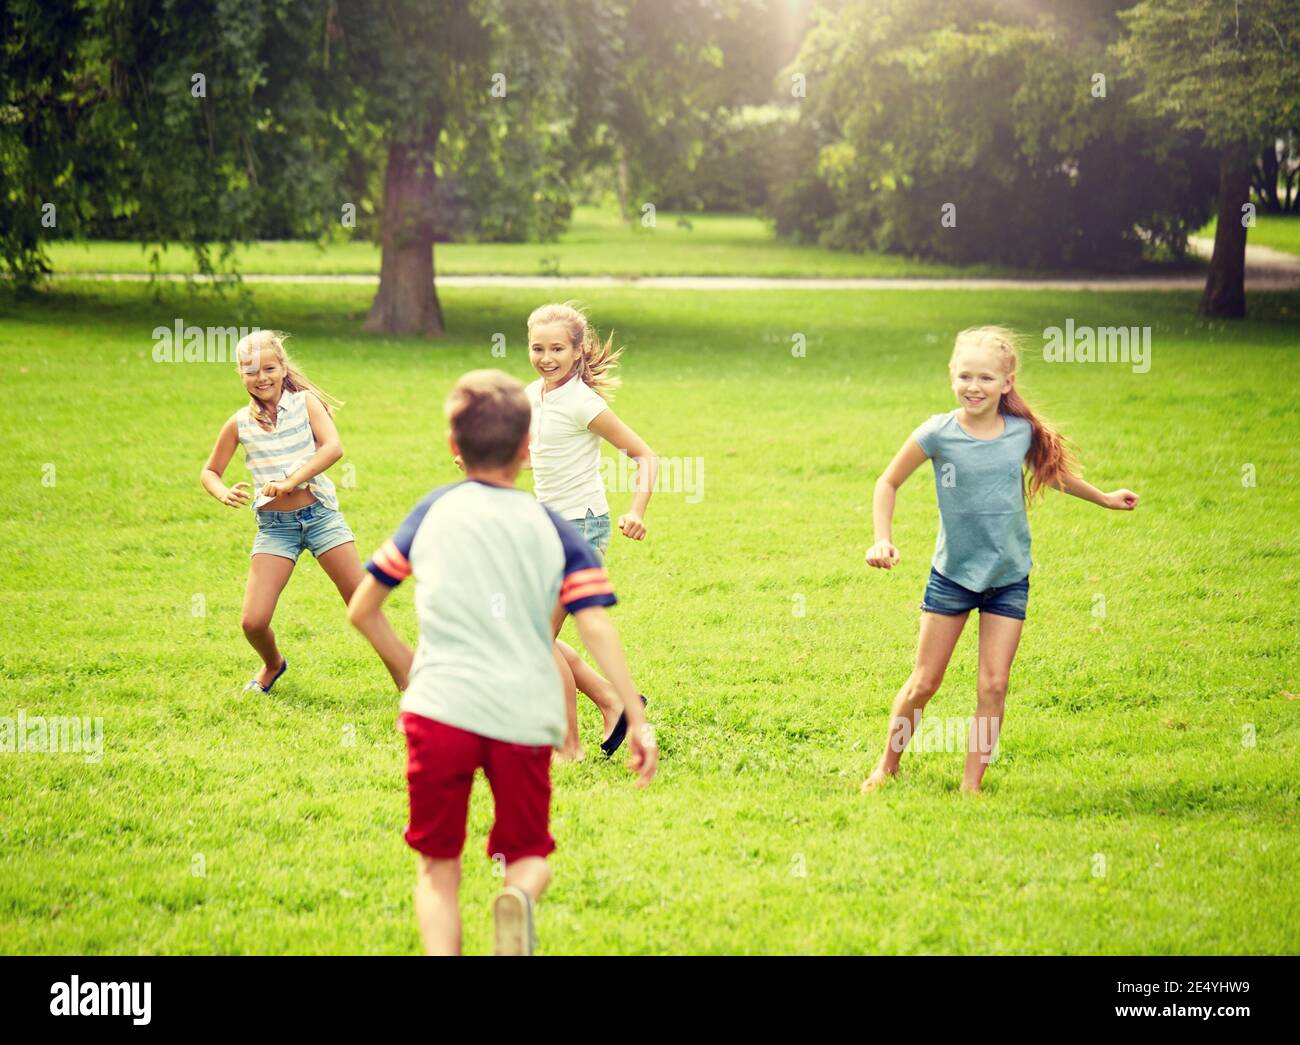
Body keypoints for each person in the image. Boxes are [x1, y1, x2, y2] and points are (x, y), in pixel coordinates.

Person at [348, 369, 657, 956]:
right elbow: (595, 625)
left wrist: (413, 673)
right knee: (529, 856)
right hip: (520, 716)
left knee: (438, 870)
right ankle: (516, 899)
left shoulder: (431, 512)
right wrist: (634, 718)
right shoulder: (554, 528)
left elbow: (363, 610)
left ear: (453, 448)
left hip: (439, 713)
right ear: (526, 451)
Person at [862, 326, 1139, 794]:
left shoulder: (1020, 433)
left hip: (1009, 577)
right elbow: (886, 483)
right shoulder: (937, 433)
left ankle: (972, 786)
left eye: (986, 378)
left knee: (993, 686)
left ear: (1007, 383)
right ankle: (887, 766)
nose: (975, 387)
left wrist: (1104, 499)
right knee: (926, 682)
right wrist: (881, 539)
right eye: (965, 376)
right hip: (952, 576)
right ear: (951, 375)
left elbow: (1056, 477)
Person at [200, 330, 363, 694]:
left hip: (320, 517)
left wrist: (291, 480)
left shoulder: (305, 403)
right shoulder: (239, 423)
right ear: (240, 374)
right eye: (250, 370)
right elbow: (209, 472)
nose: (261, 377)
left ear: (283, 367)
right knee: (252, 622)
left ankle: (410, 685)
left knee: (363, 606)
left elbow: (333, 448)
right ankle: (273, 664)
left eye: (269, 368)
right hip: (276, 528)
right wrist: (222, 491)